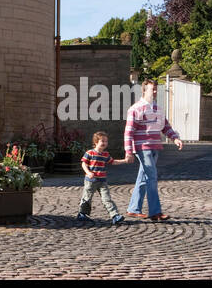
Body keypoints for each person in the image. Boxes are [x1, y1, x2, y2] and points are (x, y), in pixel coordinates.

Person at [123, 78, 183, 221]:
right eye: (152, 89)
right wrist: (128, 151)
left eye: (156, 89)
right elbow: (129, 131)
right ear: (144, 90)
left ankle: (133, 208)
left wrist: (175, 138)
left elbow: (165, 127)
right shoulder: (135, 109)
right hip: (143, 148)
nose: (155, 91)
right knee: (152, 178)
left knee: (143, 177)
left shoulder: (158, 109)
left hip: (156, 146)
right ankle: (155, 212)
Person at [77, 131, 124, 225]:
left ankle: (115, 216)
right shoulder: (90, 153)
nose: (104, 143)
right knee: (87, 197)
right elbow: (84, 164)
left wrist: (124, 161)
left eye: (106, 141)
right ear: (96, 142)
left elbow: (113, 162)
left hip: (102, 181)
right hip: (91, 181)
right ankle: (82, 214)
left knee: (107, 198)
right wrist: (88, 172)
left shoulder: (105, 154)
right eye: (102, 141)